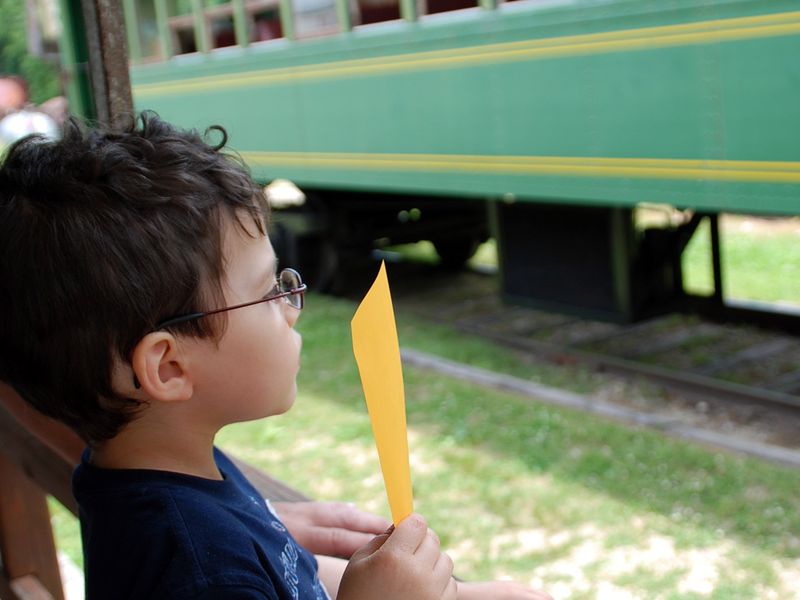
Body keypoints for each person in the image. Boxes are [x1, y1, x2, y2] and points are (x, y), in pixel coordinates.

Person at [0, 113, 551, 600]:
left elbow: (298, 578)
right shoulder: (198, 573)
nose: (292, 304)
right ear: (167, 367)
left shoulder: (169, 471)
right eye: (269, 291)